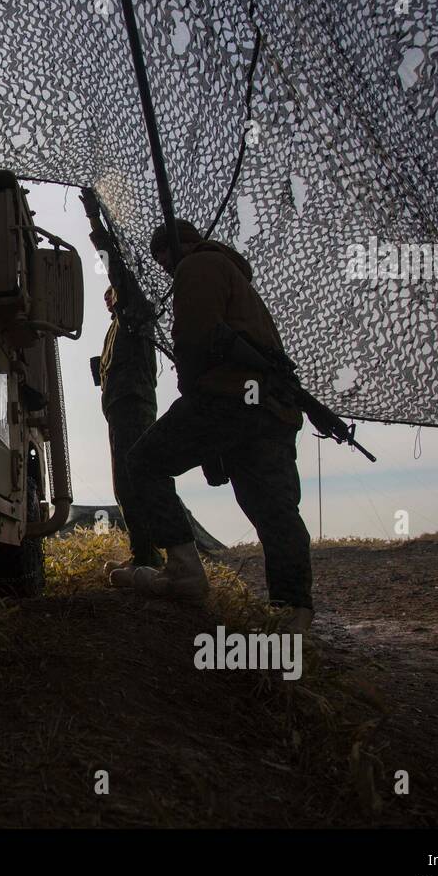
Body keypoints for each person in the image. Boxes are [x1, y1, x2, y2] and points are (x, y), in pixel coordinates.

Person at [127, 220, 314, 634]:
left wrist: (199, 413)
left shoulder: (198, 267)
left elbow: (195, 341)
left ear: (182, 245)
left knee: (144, 461)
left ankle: (183, 570)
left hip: (229, 398)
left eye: (164, 255)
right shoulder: (238, 280)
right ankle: (292, 610)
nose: (163, 266)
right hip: (269, 408)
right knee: (273, 510)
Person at [95, 282, 165, 577]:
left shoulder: (133, 314)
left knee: (135, 479)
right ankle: (143, 553)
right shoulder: (115, 328)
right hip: (119, 407)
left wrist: (103, 241)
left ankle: (150, 556)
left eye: (111, 292)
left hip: (134, 404)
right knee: (124, 483)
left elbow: (127, 286)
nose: (107, 298)